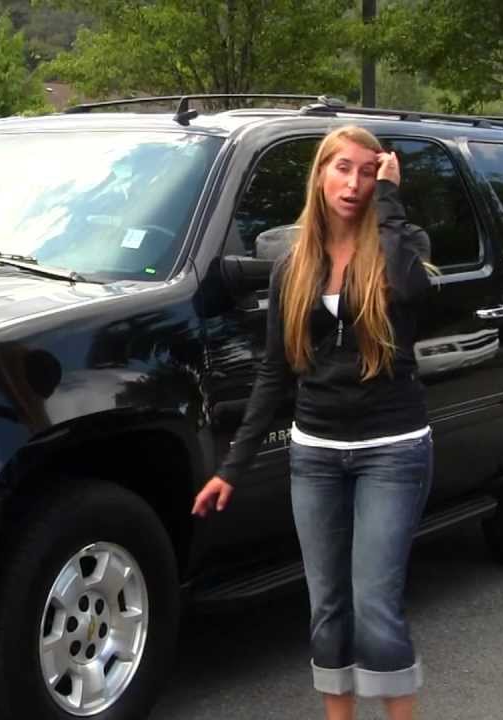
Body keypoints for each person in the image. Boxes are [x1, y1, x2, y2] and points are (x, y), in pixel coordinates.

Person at [192, 126, 434, 720]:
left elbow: (410, 293)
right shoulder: (292, 265)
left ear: (382, 179)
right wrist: (232, 467)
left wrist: (392, 203)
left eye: (368, 172)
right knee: (327, 607)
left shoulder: (399, 243)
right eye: (342, 169)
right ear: (321, 175)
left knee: (375, 607)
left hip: (392, 448)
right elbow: (275, 375)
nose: (354, 184)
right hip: (316, 452)